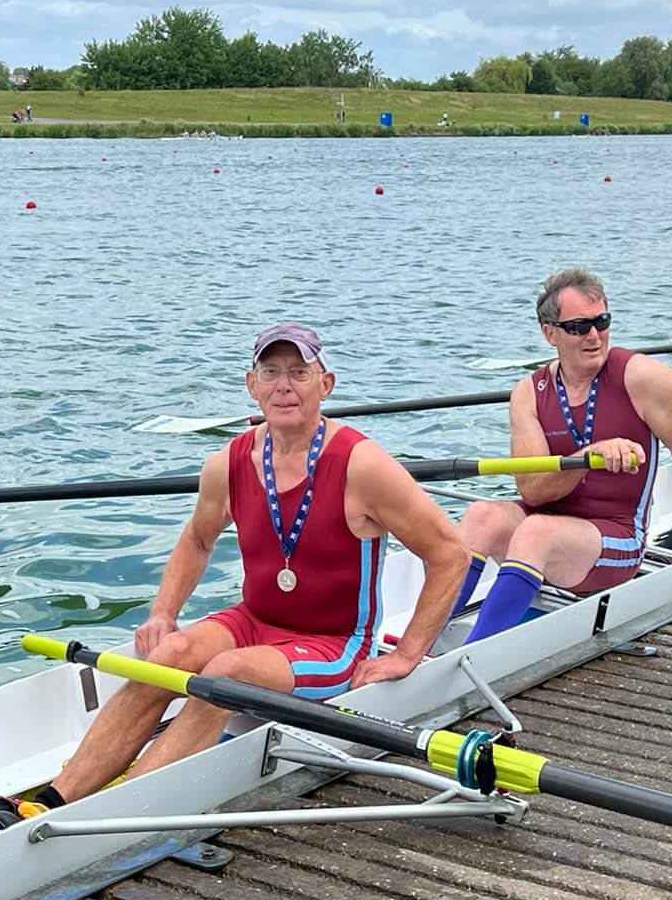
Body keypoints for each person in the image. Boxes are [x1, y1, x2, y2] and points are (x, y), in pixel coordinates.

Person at [25, 324, 467, 812]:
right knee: (171, 653)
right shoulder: (228, 463)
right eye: (271, 372)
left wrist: (407, 654)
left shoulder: (363, 465)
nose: (284, 386)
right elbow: (197, 538)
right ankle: (50, 803)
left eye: (299, 372)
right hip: (254, 620)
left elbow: (449, 554)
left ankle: (116, 812)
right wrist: (162, 612)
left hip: (334, 643)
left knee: (227, 672)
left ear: (326, 384)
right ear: (250, 385)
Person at [454, 267, 672, 641]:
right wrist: (586, 457)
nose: (594, 336)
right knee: (482, 515)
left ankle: (469, 657)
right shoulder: (529, 392)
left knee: (536, 531)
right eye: (579, 327)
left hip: (618, 539)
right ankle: (419, 645)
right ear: (550, 334)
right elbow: (533, 492)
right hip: (550, 529)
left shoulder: (643, 377)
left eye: (602, 322)